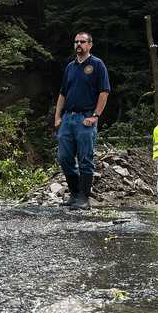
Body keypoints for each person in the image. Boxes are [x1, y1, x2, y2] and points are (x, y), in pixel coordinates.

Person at [54, 32, 110, 210]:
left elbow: (104, 92)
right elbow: (62, 93)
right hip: (68, 118)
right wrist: (57, 116)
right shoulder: (70, 67)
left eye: (83, 42)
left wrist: (95, 116)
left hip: (86, 117)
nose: (79, 44)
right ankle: (74, 194)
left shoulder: (97, 65)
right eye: (76, 42)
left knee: (85, 158)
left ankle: (84, 198)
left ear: (90, 45)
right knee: (64, 157)